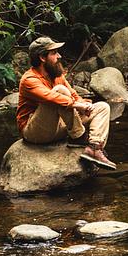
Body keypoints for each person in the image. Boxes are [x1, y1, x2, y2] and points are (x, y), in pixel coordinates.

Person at [16, 36, 117, 170]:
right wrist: (77, 105)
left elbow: (74, 95)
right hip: (35, 132)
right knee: (60, 91)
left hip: (59, 127)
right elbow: (50, 96)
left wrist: (83, 105)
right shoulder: (29, 79)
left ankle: (94, 148)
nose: (59, 56)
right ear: (42, 57)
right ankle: (79, 136)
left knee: (102, 107)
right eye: (54, 53)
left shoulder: (57, 74)